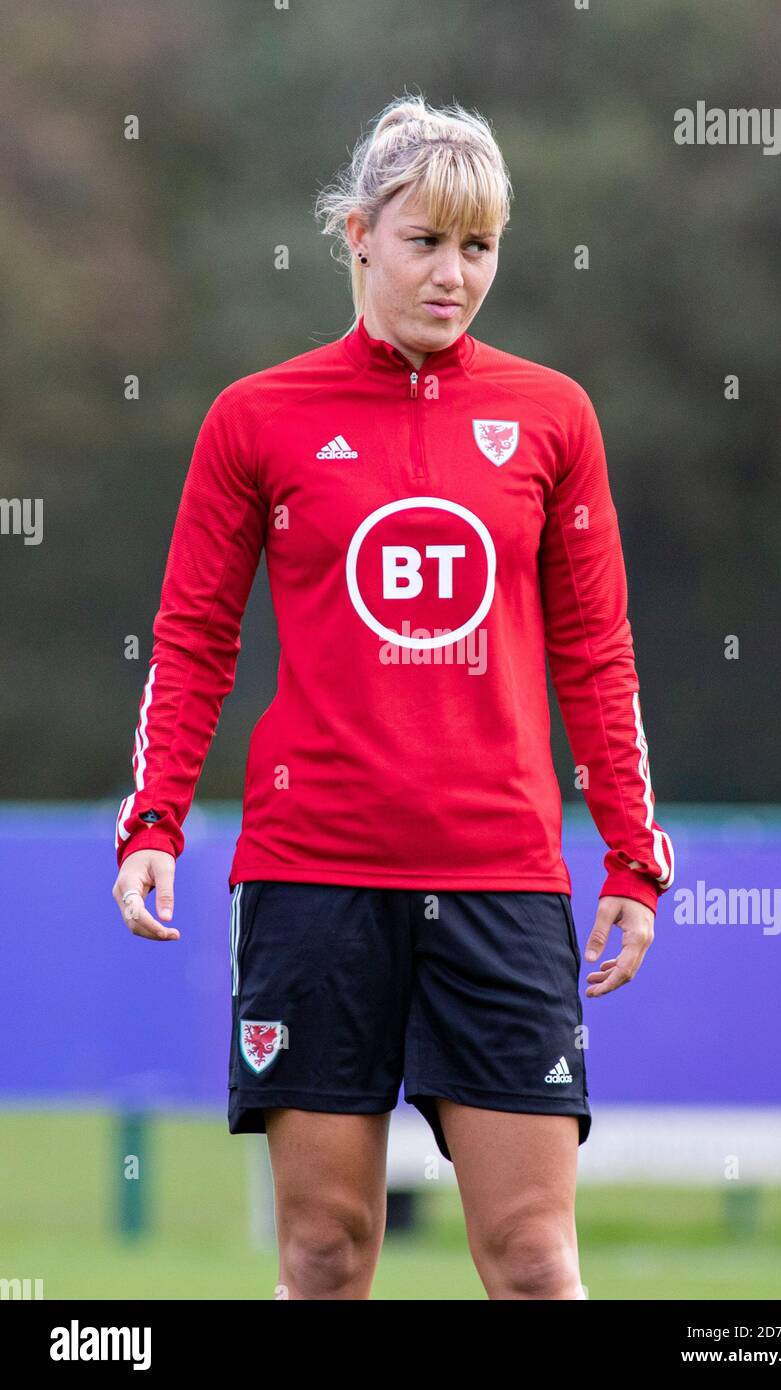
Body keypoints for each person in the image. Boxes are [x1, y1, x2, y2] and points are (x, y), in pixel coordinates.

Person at [111, 91, 674, 1301]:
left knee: (530, 1261)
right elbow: (194, 636)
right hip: (313, 876)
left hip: (499, 880)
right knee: (324, 1257)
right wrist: (155, 817)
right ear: (357, 233)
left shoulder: (552, 414)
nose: (453, 275)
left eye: (478, 248)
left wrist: (632, 853)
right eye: (426, 242)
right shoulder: (253, 417)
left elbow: (596, 653)